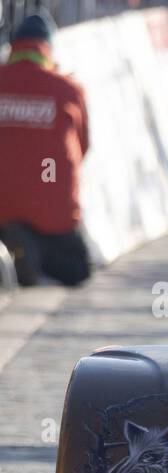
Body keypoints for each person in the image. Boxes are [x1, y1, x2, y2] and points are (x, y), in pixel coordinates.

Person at [0, 11, 92, 286]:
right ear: (48, 49)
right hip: (53, 214)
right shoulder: (68, 90)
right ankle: (32, 254)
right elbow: (83, 147)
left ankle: (17, 249)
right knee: (78, 268)